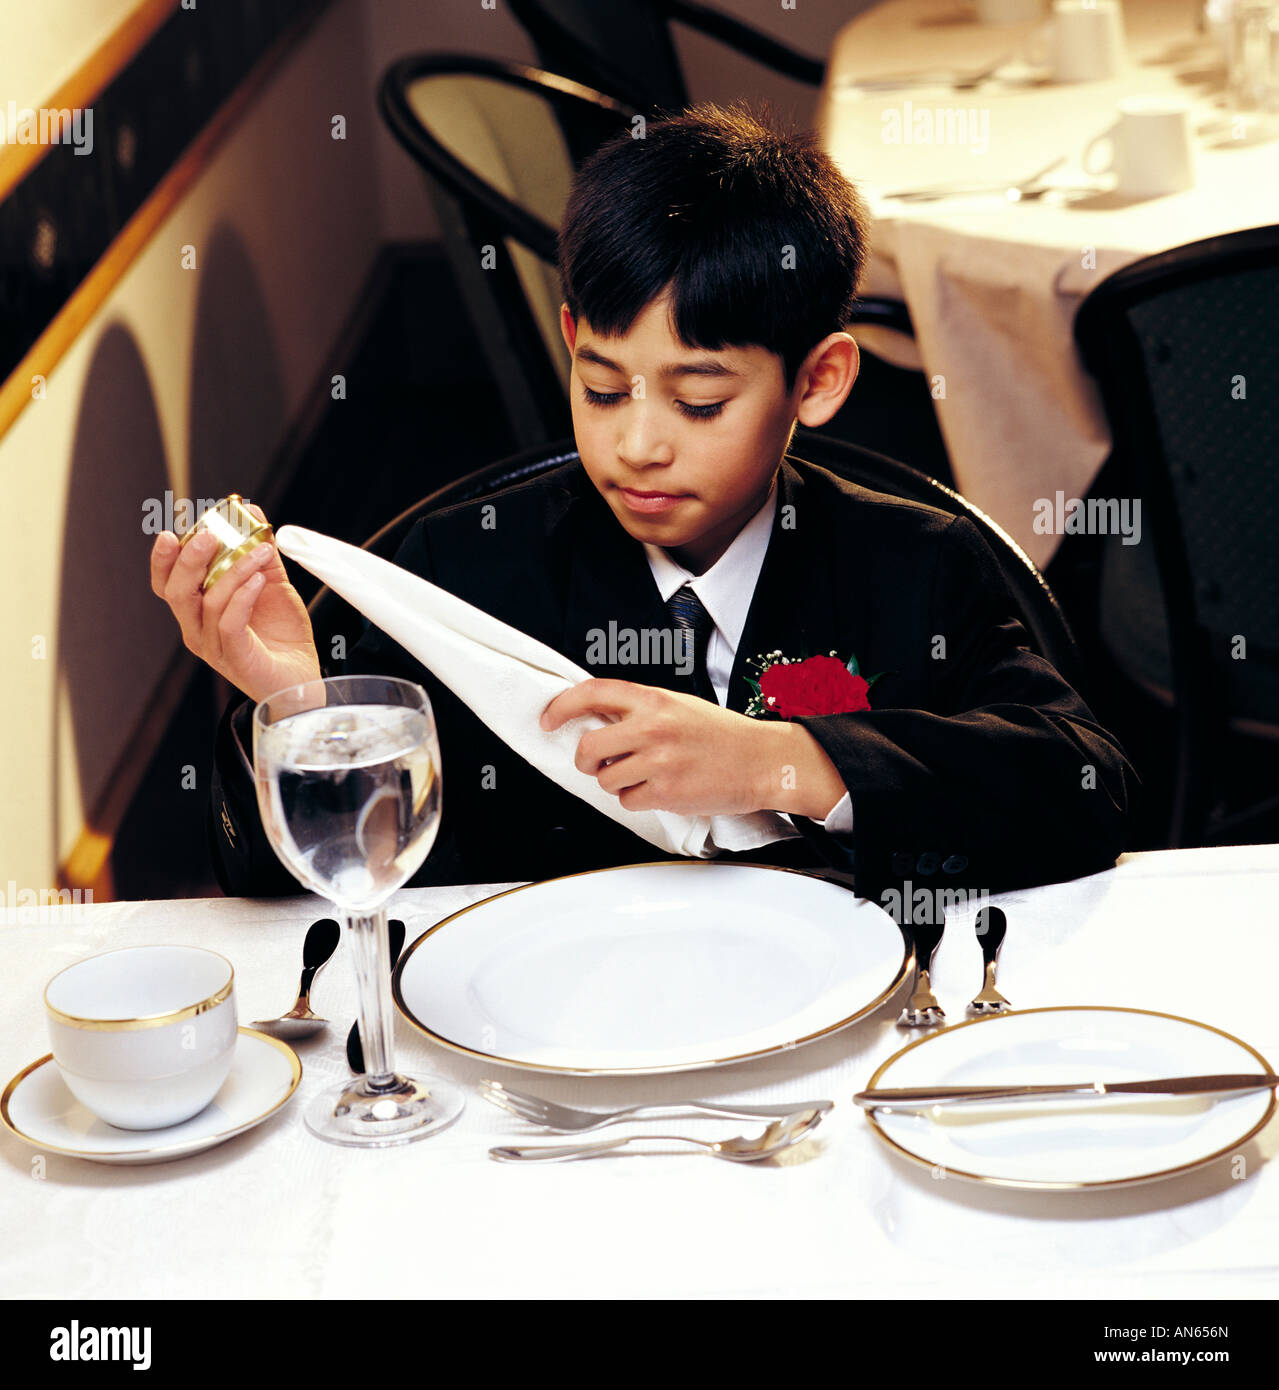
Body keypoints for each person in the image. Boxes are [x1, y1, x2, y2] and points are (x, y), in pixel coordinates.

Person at [150, 101, 1137, 904]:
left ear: (820, 380)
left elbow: (1084, 787)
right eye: (603, 386)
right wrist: (294, 700)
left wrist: (784, 761)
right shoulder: (462, 573)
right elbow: (277, 881)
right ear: (570, 338)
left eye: (699, 400)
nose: (638, 443)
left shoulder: (912, 564)